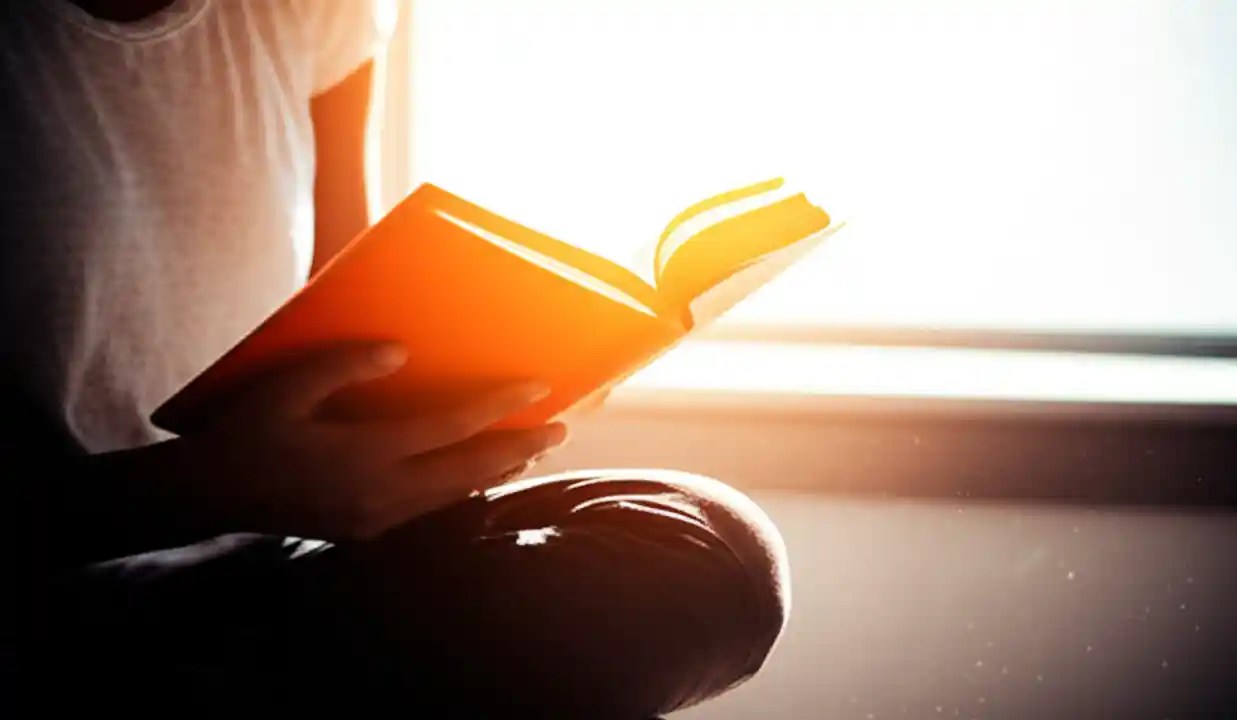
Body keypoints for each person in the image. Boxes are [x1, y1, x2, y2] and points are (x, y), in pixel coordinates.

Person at [0, 1, 790, 716]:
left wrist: (504, 380)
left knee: (708, 554)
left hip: (270, 562)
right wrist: (208, 487)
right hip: (65, 596)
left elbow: (352, 308)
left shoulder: (303, 11)